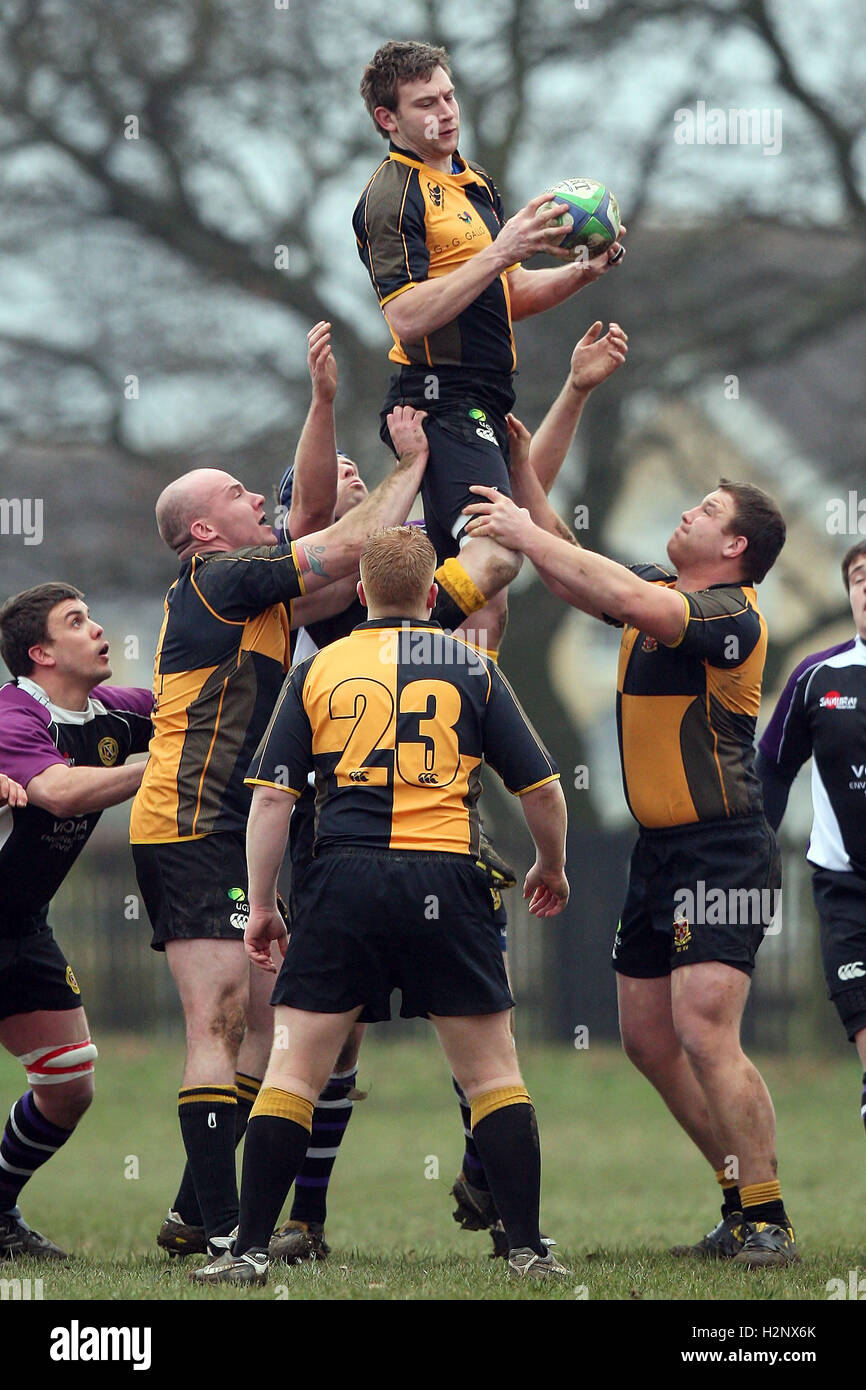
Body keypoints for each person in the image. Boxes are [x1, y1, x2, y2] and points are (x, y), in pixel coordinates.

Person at [266, 319, 628, 1263]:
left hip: (375, 847)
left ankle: (296, 1221)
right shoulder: (313, 599)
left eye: (366, 476)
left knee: (327, 1049)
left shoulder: (385, 599)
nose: (362, 483)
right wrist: (376, 435)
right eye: (350, 484)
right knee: (350, 1047)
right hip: (388, 836)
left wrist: (563, 400)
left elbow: (493, 511)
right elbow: (495, 542)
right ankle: (311, 1215)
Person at [192, 525, 570, 1287]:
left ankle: (250, 1253)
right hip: (448, 878)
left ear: (360, 593)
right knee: (494, 1073)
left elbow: (271, 801)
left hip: (344, 880)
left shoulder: (322, 666)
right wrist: (550, 866)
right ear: (433, 596)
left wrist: (262, 905)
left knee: (294, 1072)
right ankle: (526, 1248)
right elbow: (543, 790)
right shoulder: (471, 666)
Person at [465, 467, 798, 1267]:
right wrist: (556, 420)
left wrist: (521, 529)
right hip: (660, 854)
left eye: (707, 510)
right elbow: (573, 568)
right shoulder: (656, 591)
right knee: (648, 1040)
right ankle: (736, 1199)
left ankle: (770, 1220)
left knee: (704, 1027)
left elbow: (623, 594)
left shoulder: (729, 616)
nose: (688, 511)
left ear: (735, 545)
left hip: (725, 850)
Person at [132, 406, 431, 1262]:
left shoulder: (252, 598)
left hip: (228, 829)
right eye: (235, 491)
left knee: (273, 1026)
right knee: (220, 1019)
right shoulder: (218, 579)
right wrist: (408, 468)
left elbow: (349, 582)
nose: (253, 496)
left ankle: (196, 1211)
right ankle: (229, 1230)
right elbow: (340, 551)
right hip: (188, 822)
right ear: (203, 528)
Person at [353, 39, 626, 657]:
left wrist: (584, 272)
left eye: (449, 96)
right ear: (387, 119)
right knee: (501, 552)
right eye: (426, 104)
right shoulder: (390, 195)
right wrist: (502, 249)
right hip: (441, 399)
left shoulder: (476, 183)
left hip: (483, 396)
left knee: (488, 610)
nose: (446, 112)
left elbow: (507, 295)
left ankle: (457, 721)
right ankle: (376, 650)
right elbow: (406, 317)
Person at [0, 583, 152, 1258]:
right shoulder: (11, 716)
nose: (98, 630)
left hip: (19, 925)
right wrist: (164, 764)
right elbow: (57, 794)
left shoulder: (110, 713)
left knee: (68, 1082)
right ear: (41, 653)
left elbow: (201, 708)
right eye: (77, 621)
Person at [756, 539, 866, 1147]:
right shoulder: (817, 677)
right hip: (845, 885)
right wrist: (758, 851)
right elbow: (773, 767)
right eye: (857, 577)